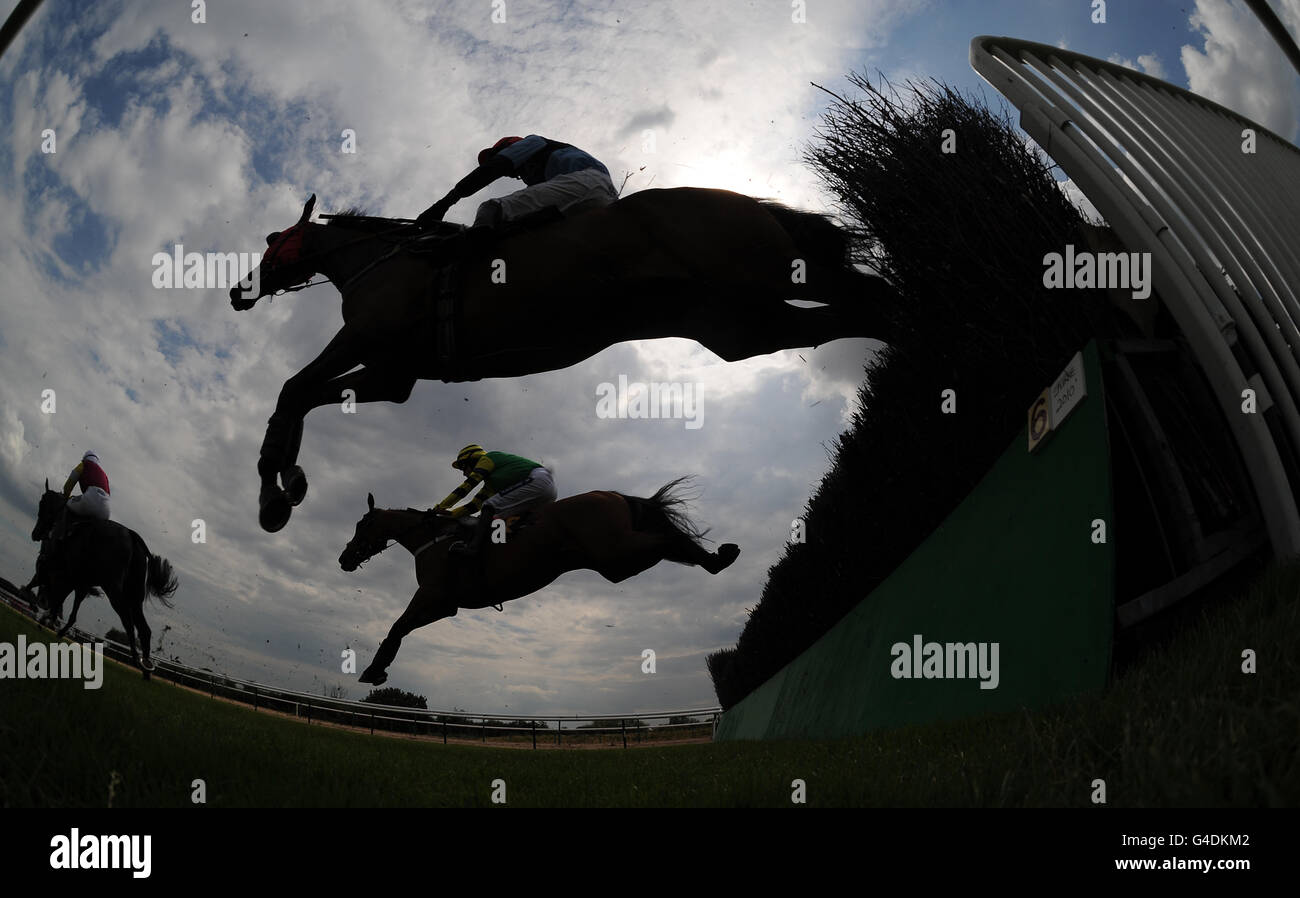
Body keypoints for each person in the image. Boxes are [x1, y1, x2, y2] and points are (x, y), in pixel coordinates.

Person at [413, 135, 618, 247]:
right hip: (603, 194)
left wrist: (443, 204)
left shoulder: (530, 142)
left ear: (510, 146)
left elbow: (492, 169)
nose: (509, 174)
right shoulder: (541, 175)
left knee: (491, 209)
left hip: (585, 182)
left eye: (496, 155)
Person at [433, 444, 556, 559]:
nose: (464, 474)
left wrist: (441, 506)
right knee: (495, 517)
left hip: (538, 480)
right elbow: (473, 506)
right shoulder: (491, 484)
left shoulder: (488, 458)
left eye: (463, 468)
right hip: (545, 489)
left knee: (489, 505)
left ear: (472, 459)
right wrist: (451, 515)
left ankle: (473, 548)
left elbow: (469, 484)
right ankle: (505, 549)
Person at [49, 449, 111, 544]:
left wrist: (66, 496)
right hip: (106, 511)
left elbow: (69, 484)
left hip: (90, 500)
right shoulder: (104, 475)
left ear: (84, 459)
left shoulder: (83, 465)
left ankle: (60, 536)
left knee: (68, 505)